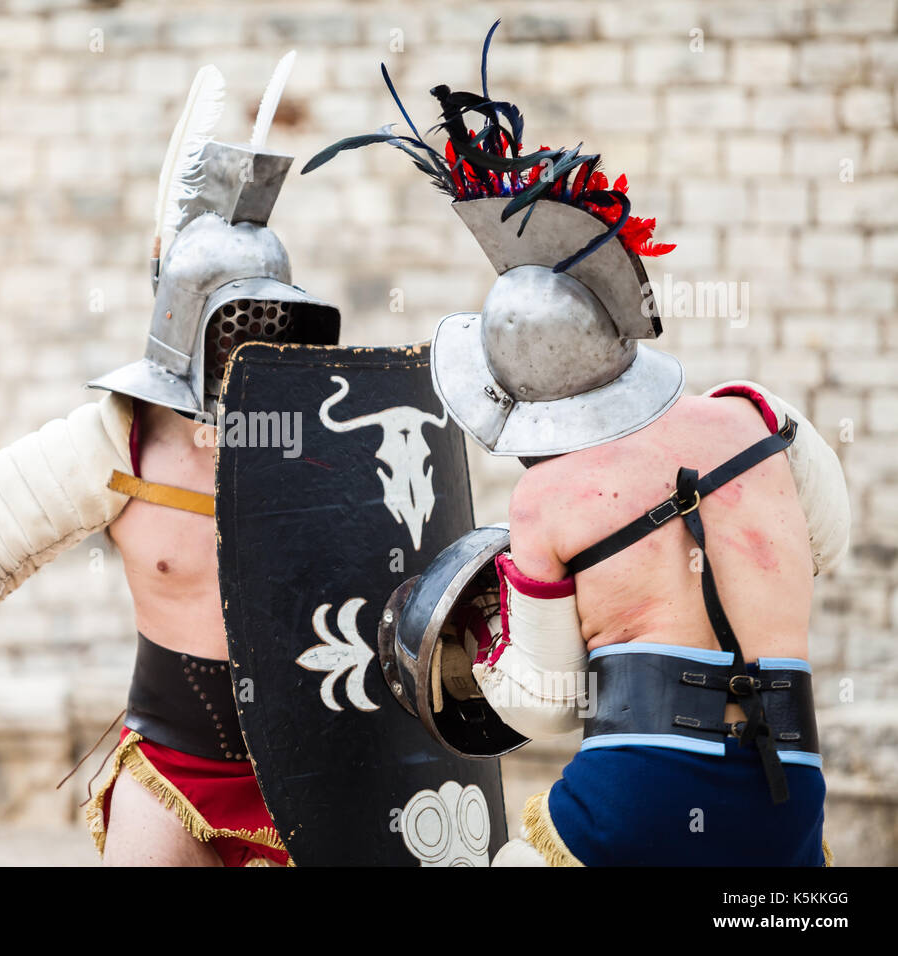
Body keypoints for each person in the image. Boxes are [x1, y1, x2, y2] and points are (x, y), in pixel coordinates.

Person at [308, 22, 849, 865]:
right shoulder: (759, 418)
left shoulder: (548, 500)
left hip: (636, 801)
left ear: (520, 400)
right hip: (790, 792)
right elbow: (830, 541)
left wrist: (482, 651)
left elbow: (542, 701)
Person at [0, 58, 340, 867]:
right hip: (172, 767)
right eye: (235, 322)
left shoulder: (331, 443)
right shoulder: (118, 444)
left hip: (315, 770)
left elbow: (401, 567)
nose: (251, 342)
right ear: (184, 323)